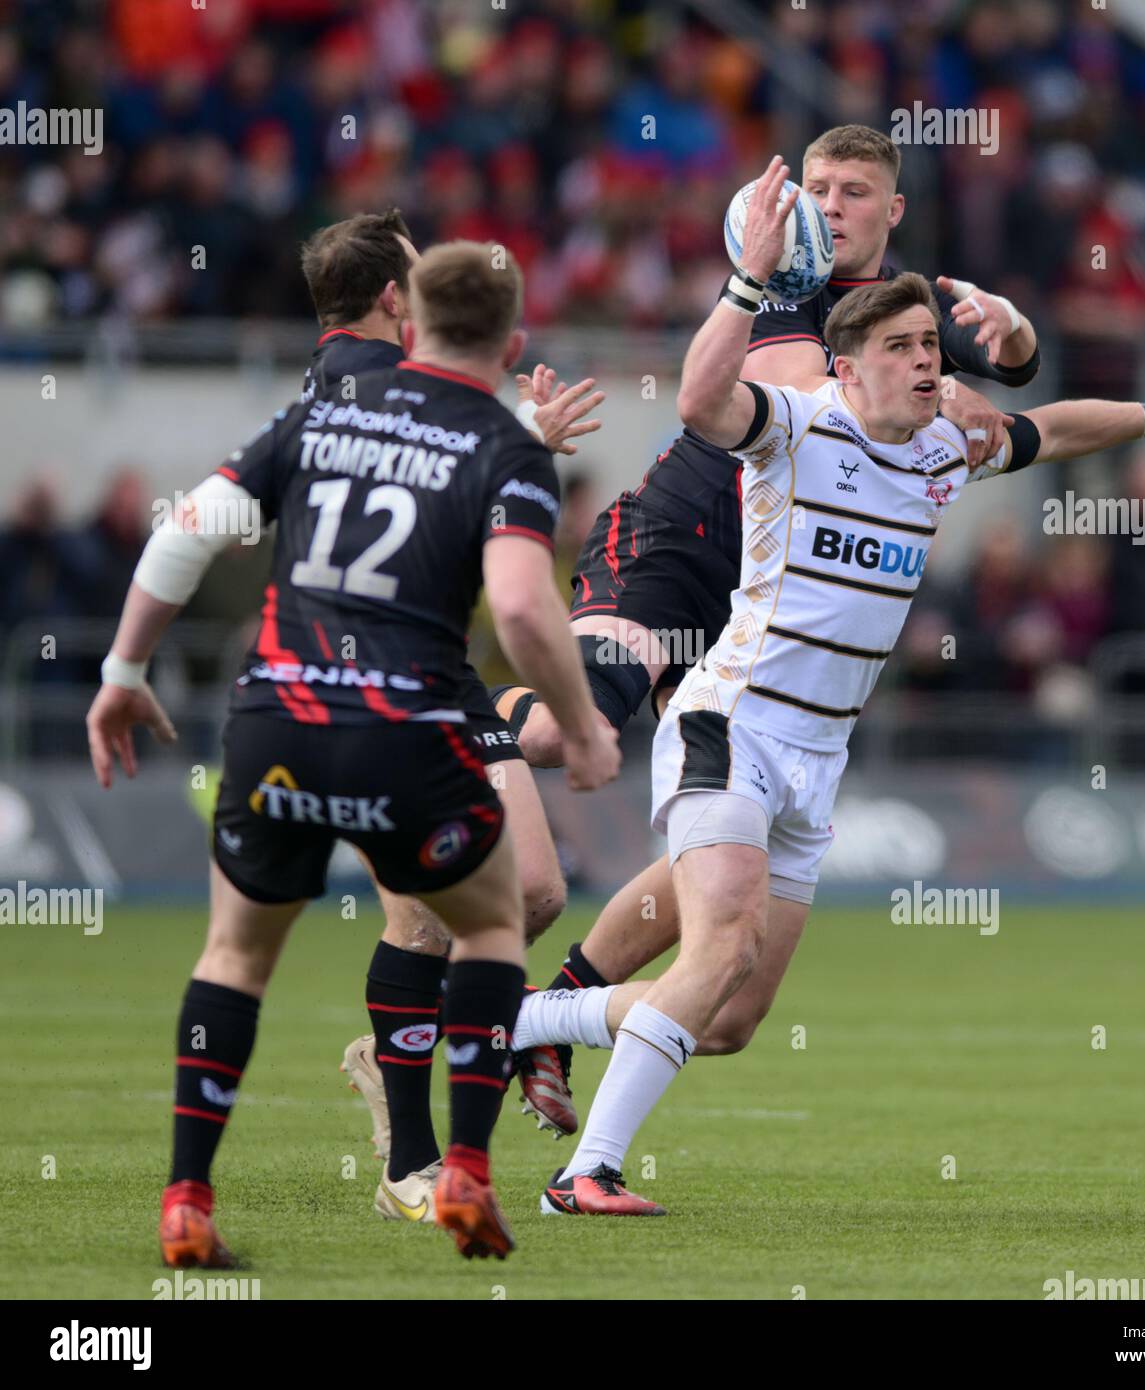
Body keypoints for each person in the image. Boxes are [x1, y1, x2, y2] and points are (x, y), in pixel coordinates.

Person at [505, 159, 1145, 1215]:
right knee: (717, 939)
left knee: (730, 1016)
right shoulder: (791, 430)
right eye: (906, 350)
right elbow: (699, 398)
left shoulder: (942, 452)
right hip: (731, 721)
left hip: (818, 760)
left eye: (933, 347)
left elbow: (1057, 424)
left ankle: (518, 1021)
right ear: (845, 365)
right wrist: (745, 282)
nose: (930, 365)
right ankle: (584, 1174)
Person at [481, 123, 1042, 1129]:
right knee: (586, 719)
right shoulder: (780, 282)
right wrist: (946, 396)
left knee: (710, 872)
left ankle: (548, 1011)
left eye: (854, 190)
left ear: (893, 211)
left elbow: (1013, 385)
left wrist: (1014, 338)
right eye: (816, 185)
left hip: (762, 602)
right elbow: (797, 398)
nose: (829, 205)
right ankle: (456, 732)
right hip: (676, 547)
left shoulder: (902, 315)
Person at [85, 240, 621, 1262]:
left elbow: (184, 532)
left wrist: (122, 672)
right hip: (407, 708)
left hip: (280, 709)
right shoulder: (462, 423)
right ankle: (443, 1162)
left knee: (237, 954)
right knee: (500, 918)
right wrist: (584, 726)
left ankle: (189, 1196)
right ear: (405, 310)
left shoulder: (318, 411)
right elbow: (515, 595)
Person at [296, 211, 600, 1194]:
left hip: (437, 671)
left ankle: (402, 1057)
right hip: (361, 680)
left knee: (535, 892)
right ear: (395, 299)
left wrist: (522, 447)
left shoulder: (381, 386)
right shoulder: (368, 380)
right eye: (422, 278)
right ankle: (412, 1158)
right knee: (430, 921)